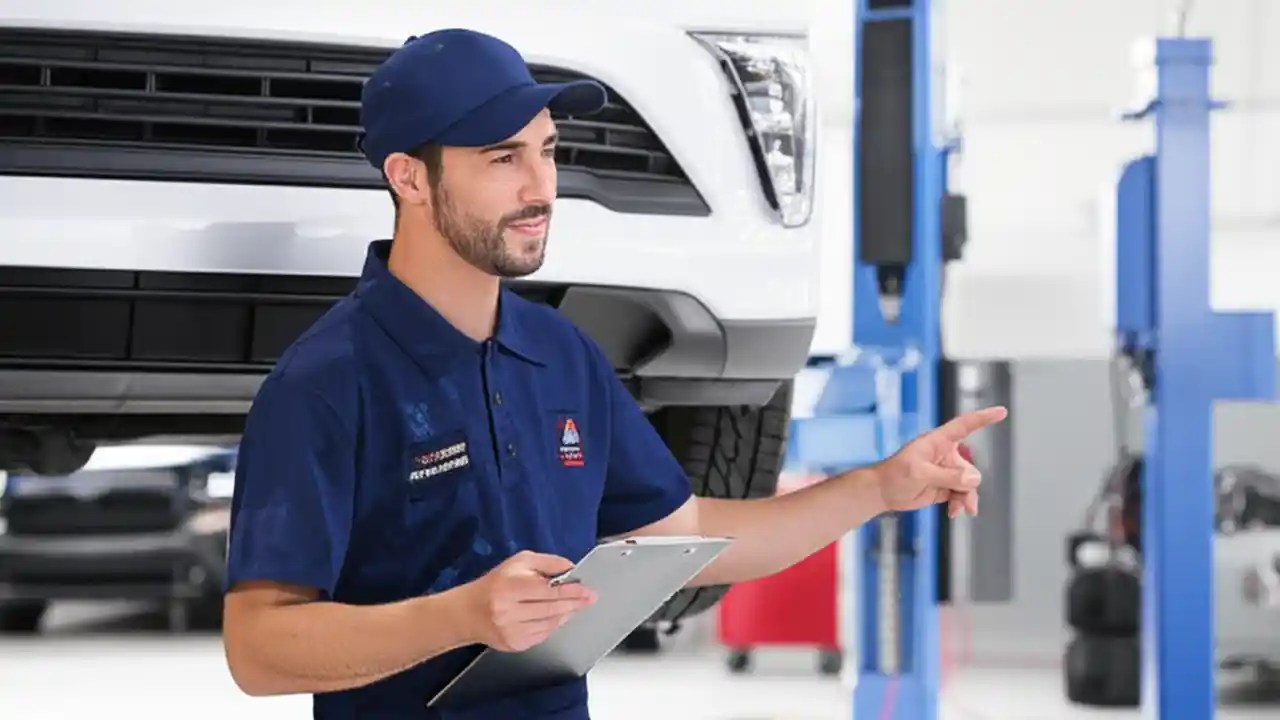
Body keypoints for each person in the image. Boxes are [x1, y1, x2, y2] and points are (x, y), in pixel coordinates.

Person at [219, 27, 1008, 719]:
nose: (541, 188)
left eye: (548, 151)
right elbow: (258, 649)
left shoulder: (562, 356)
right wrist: (461, 617)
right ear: (410, 178)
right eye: (503, 158)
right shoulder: (326, 382)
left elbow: (692, 537)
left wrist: (877, 488)